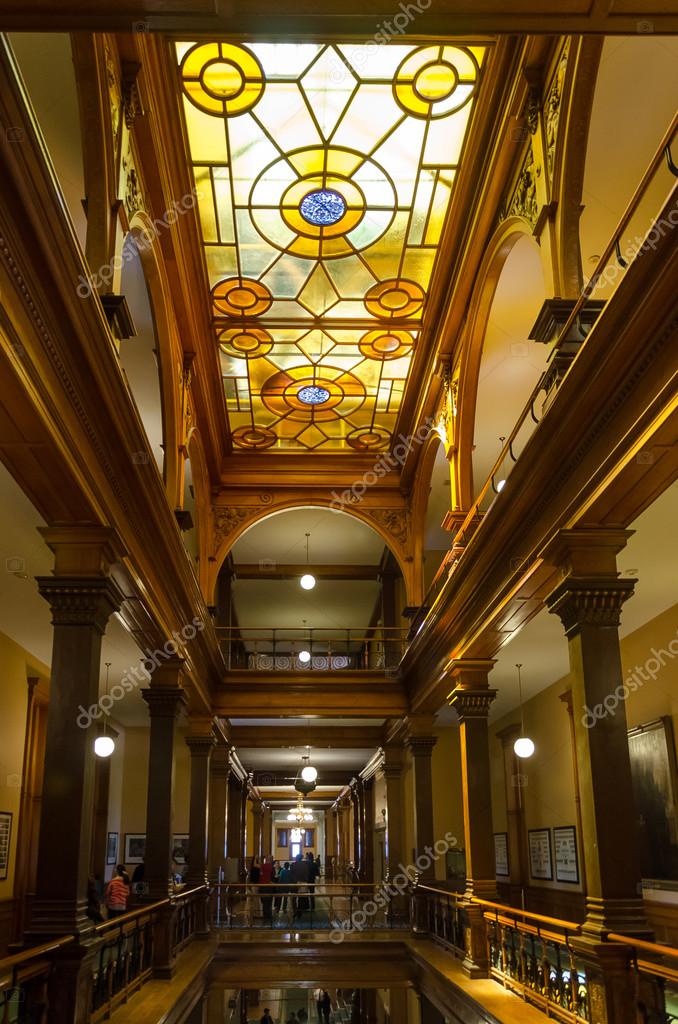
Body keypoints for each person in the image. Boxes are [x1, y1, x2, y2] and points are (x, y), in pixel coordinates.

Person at [260, 854, 274, 921]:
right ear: (271, 859)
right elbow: (273, 877)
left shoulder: (262, 866)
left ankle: (265, 916)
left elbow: (260, 875)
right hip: (269, 886)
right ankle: (269, 915)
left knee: (264, 902)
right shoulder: (271, 867)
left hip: (262, 886)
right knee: (269, 902)